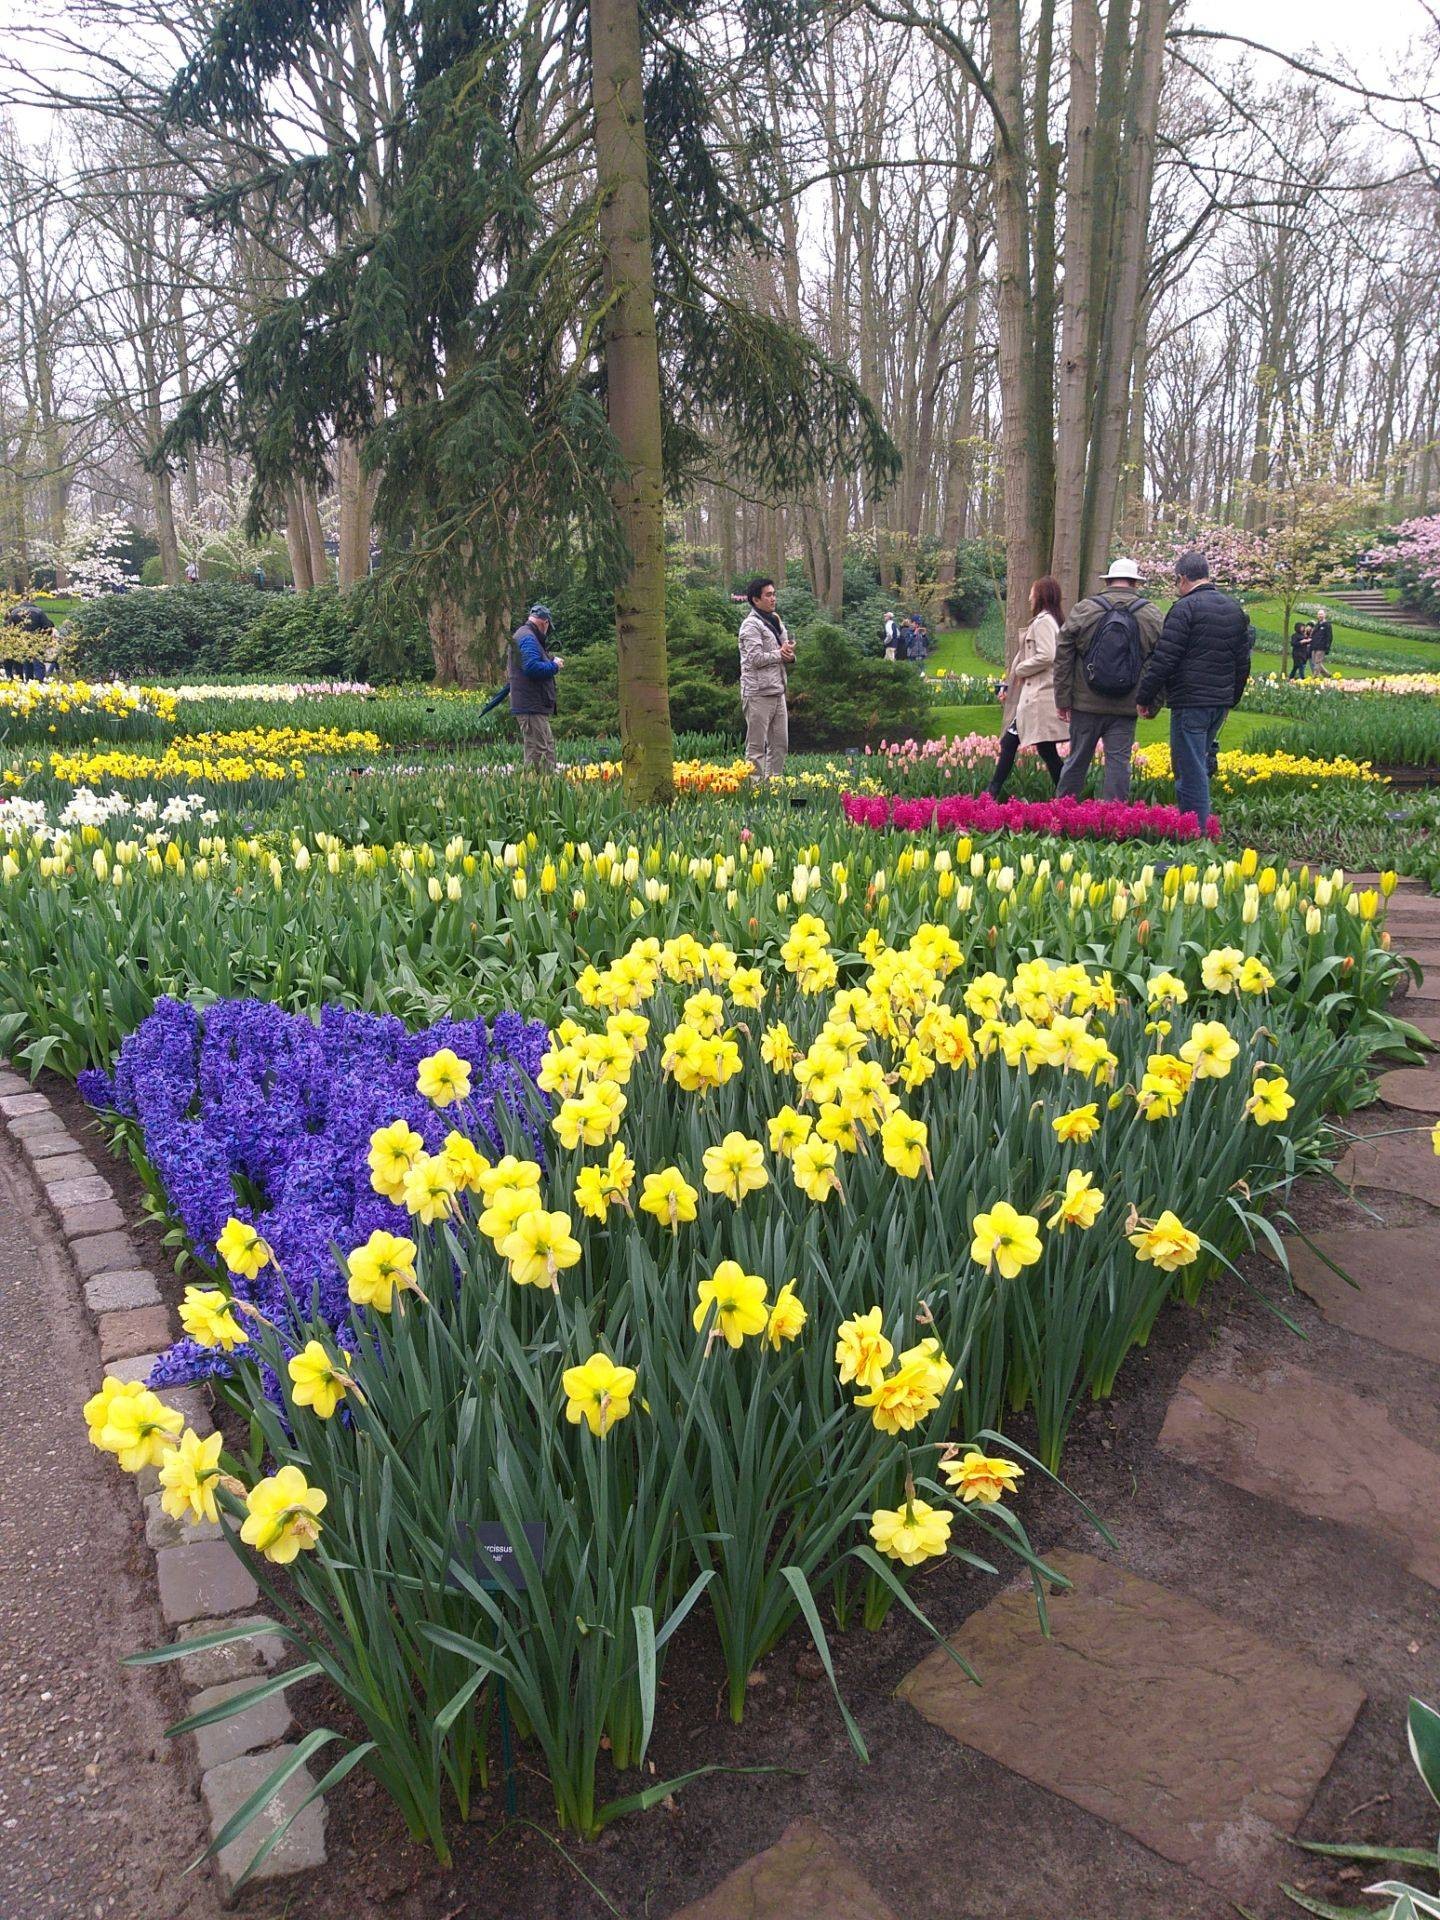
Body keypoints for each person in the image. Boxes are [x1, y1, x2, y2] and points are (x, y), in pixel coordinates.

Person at [1136, 549, 1253, 823]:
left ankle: (1195, 832)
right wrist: (1231, 698)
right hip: (1219, 701)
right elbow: (1242, 662)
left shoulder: (1184, 609)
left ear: (1183, 577)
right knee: (1198, 762)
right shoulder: (1233, 609)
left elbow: (1165, 659)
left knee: (1189, 769)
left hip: (1191, 701)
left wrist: (1145, 696)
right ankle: (1196, 826)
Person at [1053, 557, 1162, 801]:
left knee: (1077, 760)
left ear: (1109, 581)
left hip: (1085, 703)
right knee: (1118, 764)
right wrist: (1151, 702)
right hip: (1126, 706)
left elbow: (1063, 654)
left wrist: (1062, 699)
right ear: (1135, 583)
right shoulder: (1151, 614)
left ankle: (1061, 814)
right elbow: (1161, 662)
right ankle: (1113, 823)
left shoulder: (1085, 609)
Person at [987, 576, 1068, 799]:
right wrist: (1009, 682)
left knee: (1009, 742)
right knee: (1045, 750)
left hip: (1039, 697)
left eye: (1032, 592)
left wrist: (1021, 670)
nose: (1029, 597)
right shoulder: (1049, 620)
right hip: (1038, 696)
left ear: (1041, 595)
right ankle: (1067, 795)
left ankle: (991, 793)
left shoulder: (1043, 622)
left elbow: (1047, 655)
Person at [738, 576, 794, 779]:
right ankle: (755, 791)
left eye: (774, 594)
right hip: (757, 694)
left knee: (780, 744)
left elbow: (785, 648)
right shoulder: (750, 625)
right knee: (756, 748)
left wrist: (789, 655)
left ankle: (774, 787)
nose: (773, 599)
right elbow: (755, 658)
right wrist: (780, 654)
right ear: (755, 599)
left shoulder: (776, 620)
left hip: (777, 690)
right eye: (768, 595)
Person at [508, 602, 564, 773]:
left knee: (547, 748)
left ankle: (548, 792)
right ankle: (533, 794)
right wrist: (554, 666)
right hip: (531, 706)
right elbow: (531, 668)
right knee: (537, 753)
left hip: (534, 706)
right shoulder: (528, 637)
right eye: (548, 627)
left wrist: (549, 659)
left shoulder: (525, 635)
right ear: (545, 623)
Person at [1309, 608, 1334, 677]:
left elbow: (1329, 637)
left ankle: (1315, 676)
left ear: (1324, 615)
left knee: (1318, 662)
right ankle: (1327, 675)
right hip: (1314, 646)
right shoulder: (1317, 625)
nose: (1320, 616)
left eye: (1321, 614)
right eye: (1319, 614)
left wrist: (1327, 646)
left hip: (1321, 646)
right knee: (1315, 662)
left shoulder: (1327, 625)